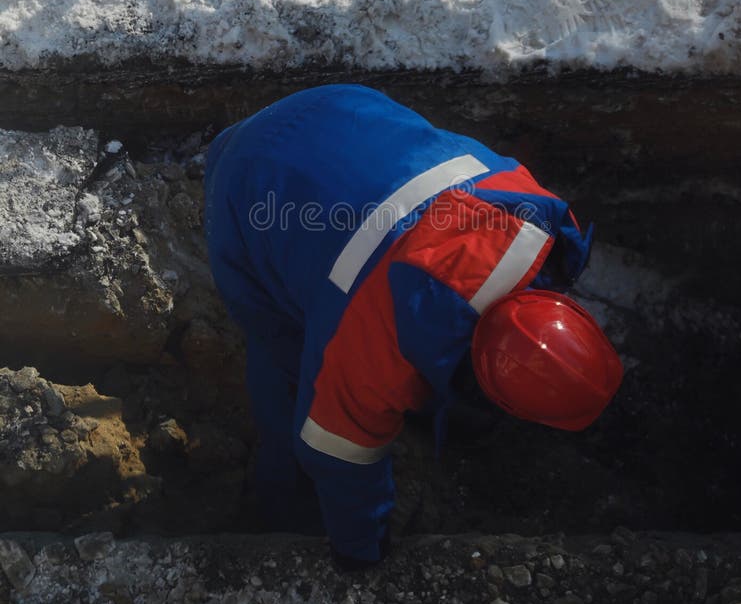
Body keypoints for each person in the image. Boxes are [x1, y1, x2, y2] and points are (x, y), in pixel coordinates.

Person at [204, 84, 623, 568]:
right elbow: (336, 454)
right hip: (247, 188)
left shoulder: (539, 216)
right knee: (289, 369)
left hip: (343, 111)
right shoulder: (370, 351)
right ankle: (288, 510)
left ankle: (441, 407)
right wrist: (360, 550)